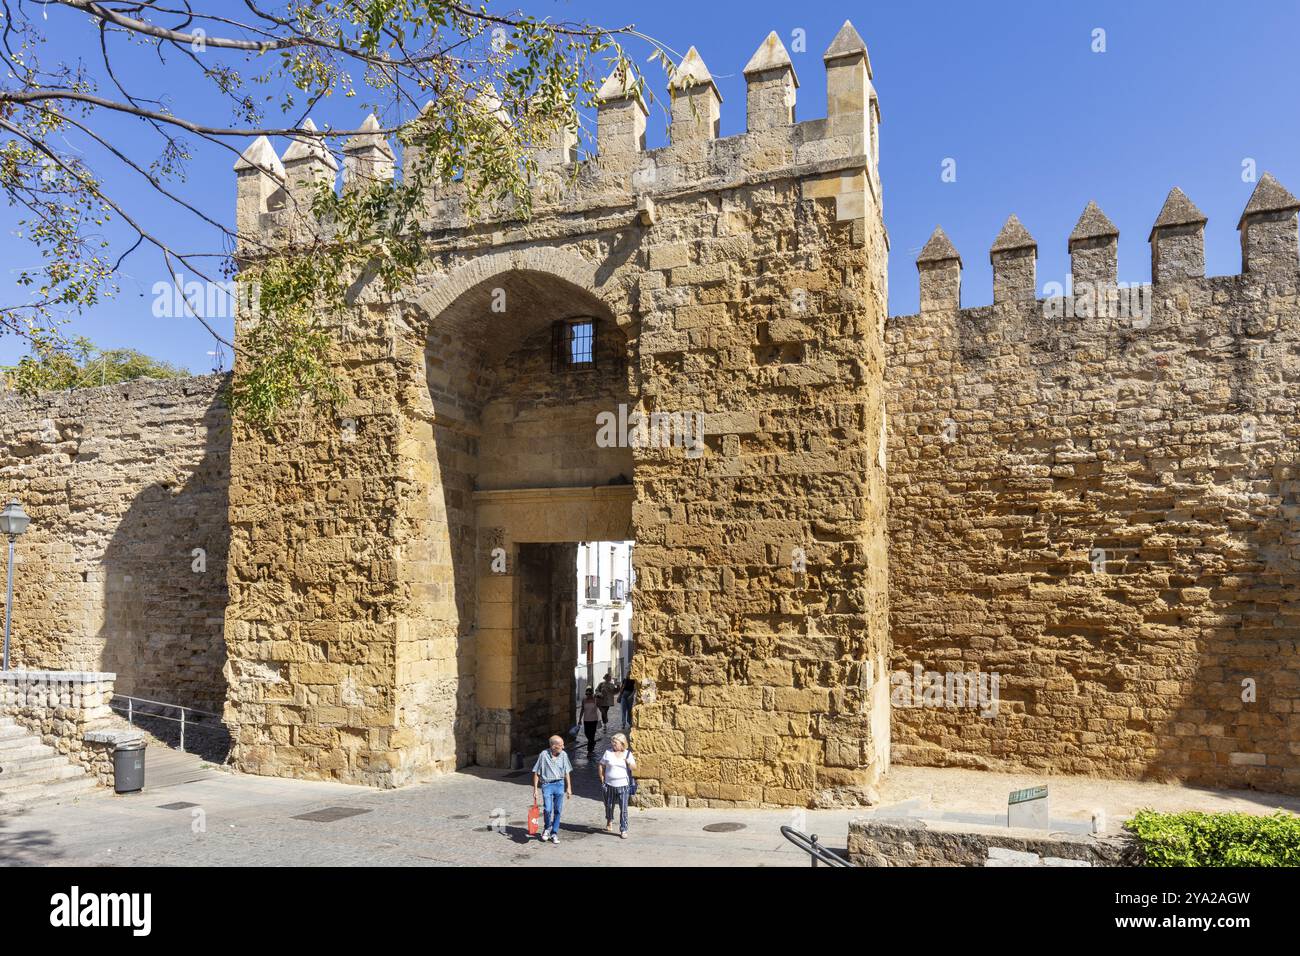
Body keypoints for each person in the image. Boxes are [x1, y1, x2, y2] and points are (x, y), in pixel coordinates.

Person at [531, 734, 573, 844]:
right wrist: (535, 790)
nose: (563, 747)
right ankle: (547, 828)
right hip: (547, 785)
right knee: (548, 809)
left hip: (559, 784)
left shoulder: (564, 755)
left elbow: (567, 771)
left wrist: (569, 787)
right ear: (553, 746)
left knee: (558, 810)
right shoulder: (543, 755)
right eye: (561, 745)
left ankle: (554, 833)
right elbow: (536, 772)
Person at [598, 732, 637, 839]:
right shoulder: (608, 753)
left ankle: (623, 829)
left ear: (622, 743)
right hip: (609, 784)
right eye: (612, 743)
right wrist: (602, 778)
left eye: (615, 743)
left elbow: (634, 768)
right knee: (609, 805)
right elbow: (601, 765)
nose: (613, 745)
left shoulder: (628, 754)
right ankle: (609, 820)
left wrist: (628, 763)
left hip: (623, 785)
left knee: (623, 808)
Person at [578, 687, 601, 760]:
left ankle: (589, 751)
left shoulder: (595, 700)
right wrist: (579, 719)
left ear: (592, 694)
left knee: (592, 734)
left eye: (589, 694)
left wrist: (604, 716)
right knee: (586, 733)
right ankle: (593, 742)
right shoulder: (584, 700)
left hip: (594, 720)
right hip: (586, 720)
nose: (587, 695)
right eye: (586, 694)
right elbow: (582, 709)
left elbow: (600, 708)